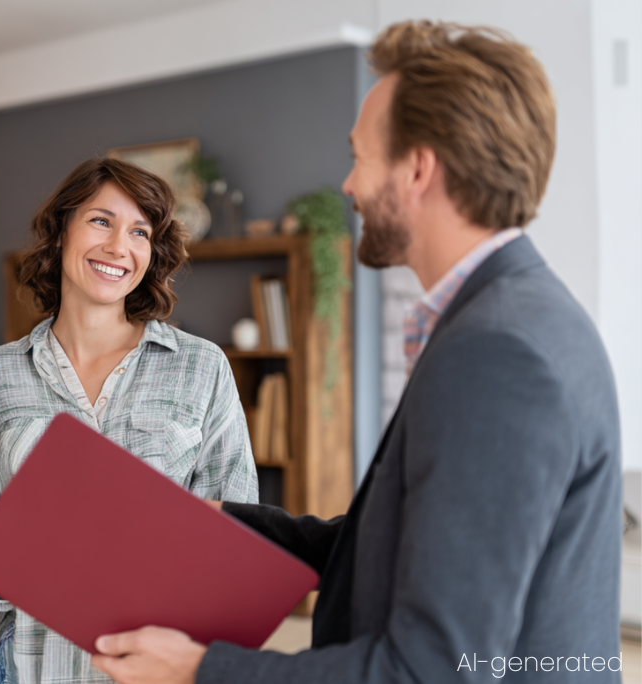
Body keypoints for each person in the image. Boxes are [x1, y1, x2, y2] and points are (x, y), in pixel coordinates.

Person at [91, 20, 623, 684]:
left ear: (419, 168)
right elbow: (404, 546)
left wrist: (202, 670)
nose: (348, 186)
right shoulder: (525, 313)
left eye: (361, 156)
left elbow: (428, 669)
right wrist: (231, 523)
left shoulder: (496, 354)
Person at [0, 157, 259, 684]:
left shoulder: (201, 367)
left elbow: (236, 536)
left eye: (139, 231)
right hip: (31, 669)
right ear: (61, 232)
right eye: (101, 221)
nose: (119, 246)